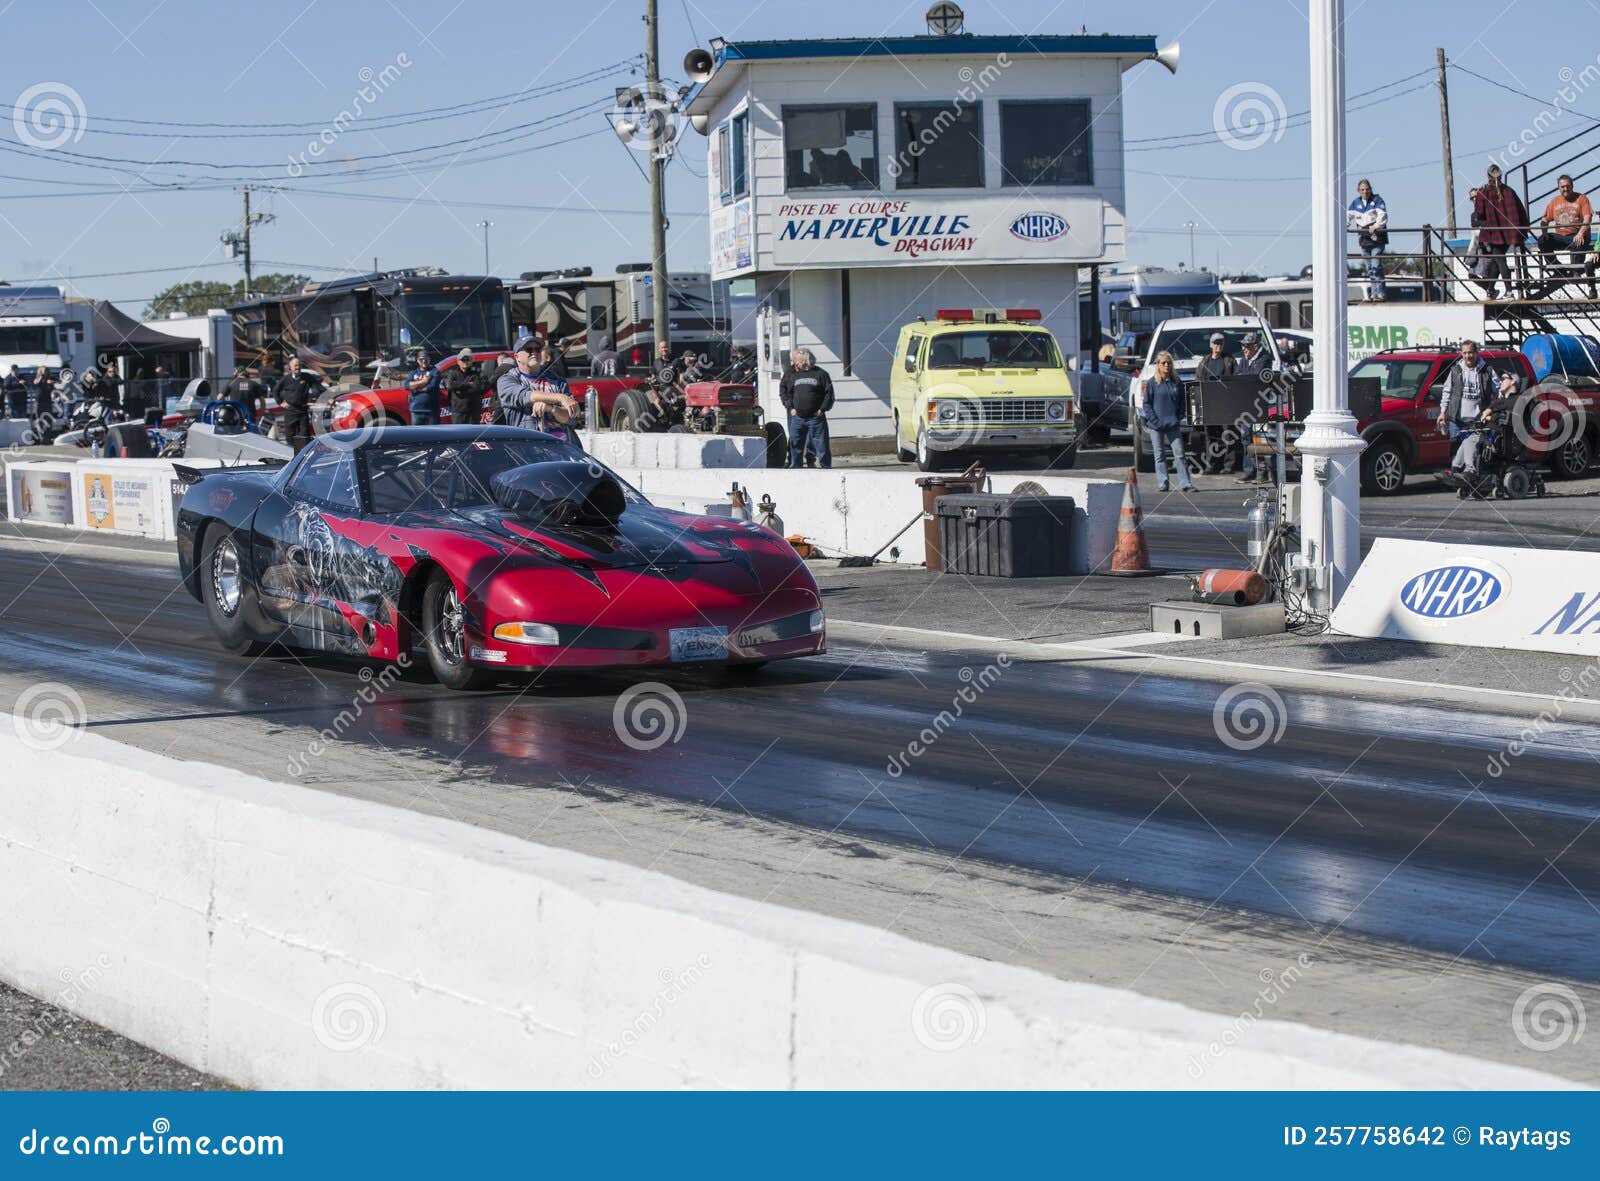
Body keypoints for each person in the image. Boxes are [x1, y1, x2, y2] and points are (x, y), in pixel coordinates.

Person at [496, 336, 579, 433]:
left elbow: (570, 416)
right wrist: (561, 397)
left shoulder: (556, 379)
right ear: (517, 357)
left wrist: (551, 408)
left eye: (538, 349)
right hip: (527, 440)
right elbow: (525, 396)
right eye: (529, 349)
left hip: (561, 441)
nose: (534, 352)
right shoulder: (507, 380)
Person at [1470, 164, 1528, 299]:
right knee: (1497, 261)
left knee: (1500, 260)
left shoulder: (1483, 193)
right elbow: (1522, 212)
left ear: (1488, 176)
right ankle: (1490, 291)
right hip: (1510, 233)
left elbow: (1478, 215)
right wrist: (1523, 232)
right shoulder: (1509, 191)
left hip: (1493, 233)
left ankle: (1509, 292)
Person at [1436, 340, 1496, 469]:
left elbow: (1499, 392)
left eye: (1470, 352)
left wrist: (1494, 410)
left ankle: (1472, 477)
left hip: (1478, 422)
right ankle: (1456, 476)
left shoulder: (1487, 370)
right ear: (1461, 354)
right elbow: (1446, 391)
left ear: (1476, 353)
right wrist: (1443, 412)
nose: (1467, 356)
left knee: (1474, 455)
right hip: (1457, 421)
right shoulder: (1455, 370)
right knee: (1456, 454)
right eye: (1464, 353)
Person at [1139, 351, 1193, 494]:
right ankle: (1163, 483)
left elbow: (1183, 403)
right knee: (1159, 455)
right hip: (1156, 426)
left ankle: (1186, 483)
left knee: (1180, 454)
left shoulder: (1177, 382)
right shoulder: (1152, 383)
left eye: (1169, 363)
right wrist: (1155, 421)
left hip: (1172, 424)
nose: (1166, 365)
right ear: (1158, 365)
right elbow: (1146, 404)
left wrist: (1178, 418)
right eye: (1163, 363)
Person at [1536, 174, 1592, 295]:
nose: (1565, 189)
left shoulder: (1581, 198)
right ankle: (1558, 270)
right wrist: (1544, 232)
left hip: (1577, 234)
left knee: (1579, 240)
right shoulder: (1555, 201)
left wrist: (1581, 233)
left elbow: (1587, 218)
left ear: (1572, 186)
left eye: (1568, 186)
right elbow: (1545, 219)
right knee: (1542, 240)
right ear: (1558, 188)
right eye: (1562, 187)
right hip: (1561, 236)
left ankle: (1576, 271)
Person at [779, 347, 834, 469]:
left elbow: (829, 394)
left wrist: (822, 409)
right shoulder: (793, 374)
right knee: (795, 445)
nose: (795, 363)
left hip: (816, 418)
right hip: (797, 417)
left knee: (822, 445)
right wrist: (790, 408)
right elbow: (786, 392)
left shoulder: (821, 374)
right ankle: (795, 468)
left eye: (797, 360)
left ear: (805, 361)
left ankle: (826, 468)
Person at [1347, 179, 1389, 301]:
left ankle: (1380, 294)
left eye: (1367, 189)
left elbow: (1383, 215)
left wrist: (1376, 226)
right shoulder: (1355, 203)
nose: (1365, 192)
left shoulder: (1377, 200)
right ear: (1358, 191)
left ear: (1370, 189)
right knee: (1370, 268)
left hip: (1377, 239)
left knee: (1376, 265)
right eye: (1362, 190)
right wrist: (1345, 225)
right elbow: (1347, 216)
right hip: (1364, 240)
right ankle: (1374, 294)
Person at [272, 355, 322, 452]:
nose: (297, 367)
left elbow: (318, 387)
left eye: (299, 365)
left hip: (302, 411)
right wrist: (280, 402)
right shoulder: (285, 379)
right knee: (289, 436)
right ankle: (290, 453)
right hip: (290, 411)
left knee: (304, 435)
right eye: (295, 365)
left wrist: (329, 396)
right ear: (290, 367)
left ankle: (304, 455)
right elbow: (275, 390)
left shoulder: (306, 377)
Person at [443, 348, 485, 427]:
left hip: (473, 411)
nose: (465, 362)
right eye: (463, 359)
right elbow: (450, 386)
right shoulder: (453, 373)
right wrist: (468, 384)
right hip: (458, 411)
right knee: (458, 433)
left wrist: (459, 389)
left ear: (472, 361)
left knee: (473, 432)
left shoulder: (476, 373)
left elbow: (478, 387)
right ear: (458, 361)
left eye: (468, 359)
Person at [405, 351, 440, 425]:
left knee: (433, 432)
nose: (424, 361)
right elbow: (407, 385)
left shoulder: (434, 371)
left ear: (429, 359)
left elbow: (432, 386)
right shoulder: (413, 373)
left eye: (426, 359)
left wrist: (415, 388)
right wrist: (423, 382)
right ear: (417, 360)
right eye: (421, 359)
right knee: (416, 432)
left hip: (431, 411)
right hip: (416, 410)